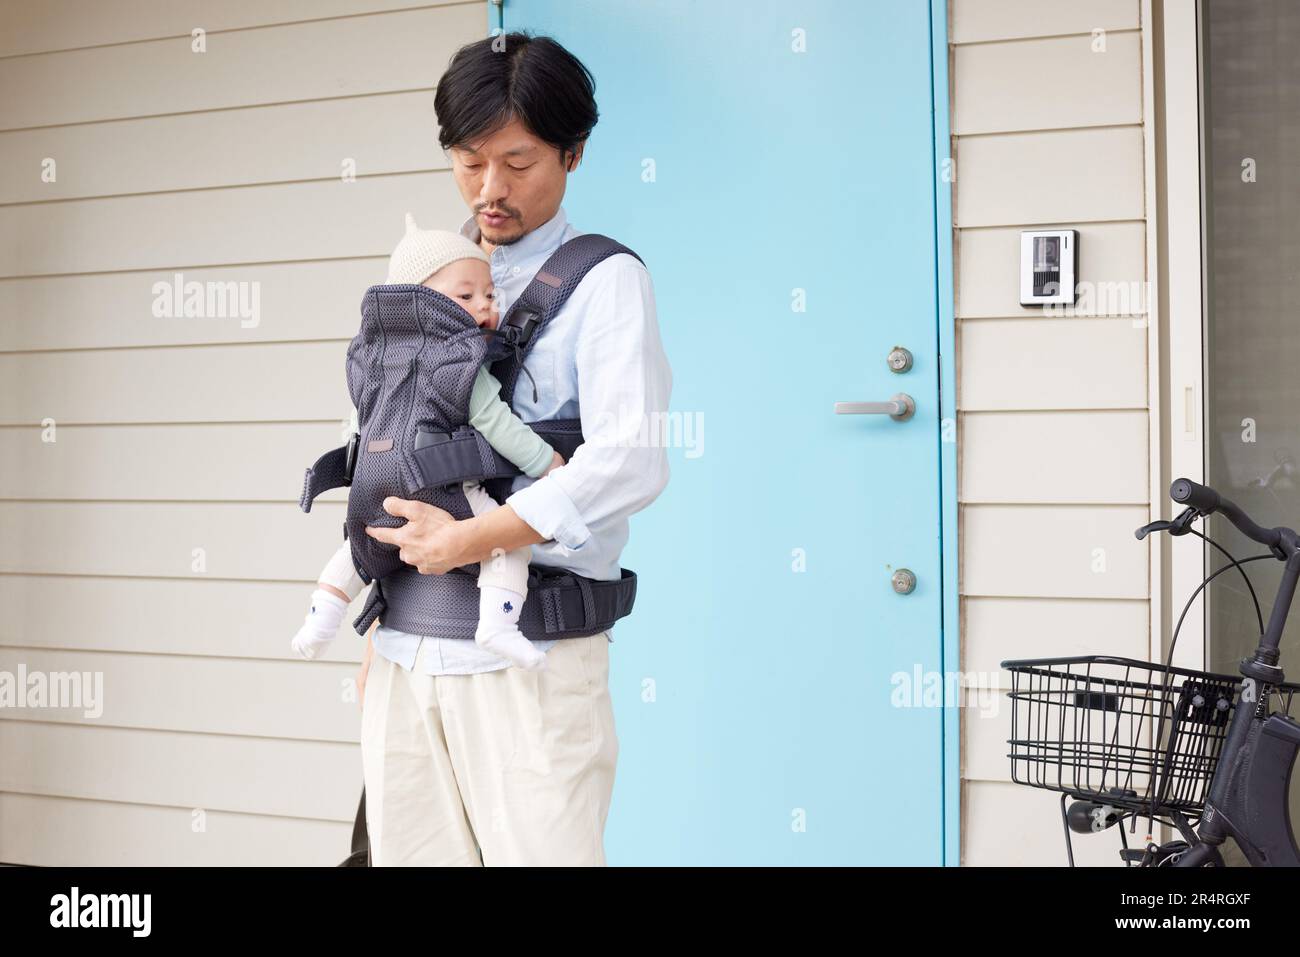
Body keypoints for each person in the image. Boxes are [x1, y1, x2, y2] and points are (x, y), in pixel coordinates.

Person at [355, 32, 673, 866]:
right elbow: (387, 448)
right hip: (405, 653)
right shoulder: (428, 277)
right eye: (468, 161)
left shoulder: (605, 283)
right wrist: (374, 630)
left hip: (527, 664)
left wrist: (472, 539)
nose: (489, 190)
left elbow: (630, 459)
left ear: (572, 154)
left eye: (517, 162)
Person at [291, 214, 565, 672]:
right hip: (439, 485)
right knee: (508, 546)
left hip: (375, 485)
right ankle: (498, 626)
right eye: (466, 296)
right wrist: (546, 461)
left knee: (359, 551)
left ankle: (319, 620)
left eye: (491, 295)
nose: (486, 307)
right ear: (421, 299)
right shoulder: (457, 356)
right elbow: (495, 422)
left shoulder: (374, 357)